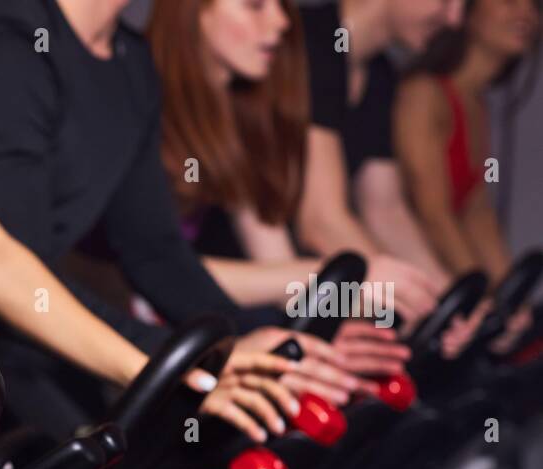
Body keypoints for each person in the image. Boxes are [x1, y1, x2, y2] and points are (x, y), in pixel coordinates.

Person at [0, 0, 361, 444]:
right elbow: (9, 265)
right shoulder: (4, 44)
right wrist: (179, 361)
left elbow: (154, 249)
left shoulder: (130, 62)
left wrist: (233, 343)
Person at [147, 0, 410, 383]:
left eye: (281, 5)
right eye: (255, 5)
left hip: (172, 332)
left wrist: (359, 319)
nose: (282, 22)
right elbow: (157, 271)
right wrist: (322, 277)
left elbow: (273, 259)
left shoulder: (233, 112)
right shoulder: (140, 95)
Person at [296, 0, 466, 326]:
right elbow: (321, 221)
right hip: (248, 286)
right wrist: (415, 301)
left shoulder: (379, 74)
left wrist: (445, 300)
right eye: (446, 0)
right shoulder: (310, 43)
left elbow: (386, 212)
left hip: (306, 289)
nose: (455, 20)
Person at [393, 0, 541, 350]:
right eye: (509, 0)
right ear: (466, 10)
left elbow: (477, 212)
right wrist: (485, 301)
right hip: (406, 290)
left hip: (450, 287)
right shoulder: (423, 93)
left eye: (535, 5)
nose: (526, 13)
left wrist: (511, 298)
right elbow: (434, 214)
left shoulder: (474, 102)